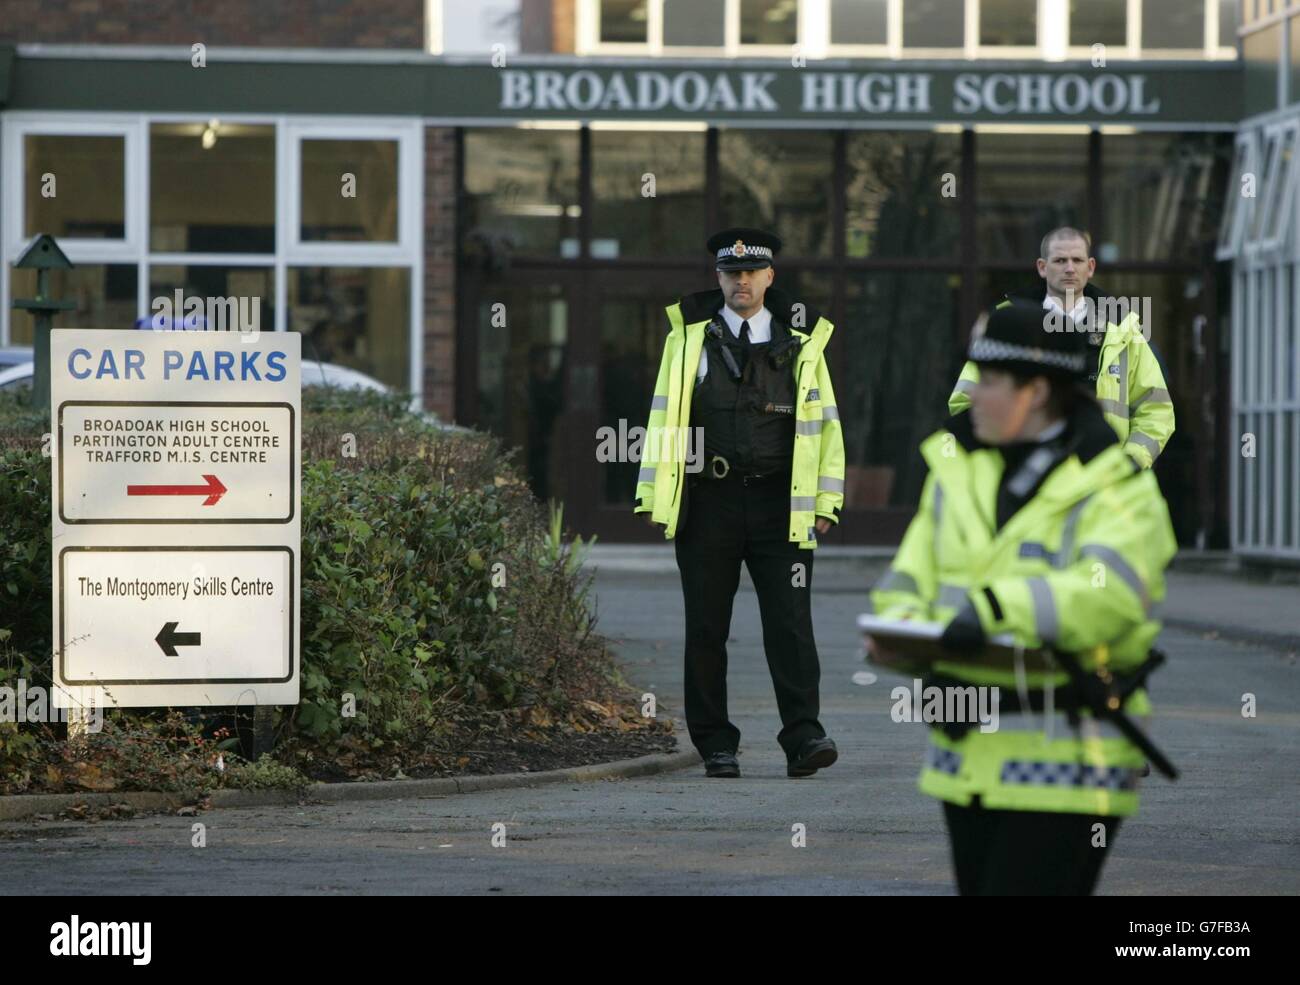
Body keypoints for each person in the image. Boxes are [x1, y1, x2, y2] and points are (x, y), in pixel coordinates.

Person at [870, 299, 1178, 895]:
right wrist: (901, 634)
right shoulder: (958, 473)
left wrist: (992, 611)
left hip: (1066, 765)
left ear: (1035, 392)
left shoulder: (1112, 484)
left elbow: (1113, 595)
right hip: (966, 764)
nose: (971, 394)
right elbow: (908, 580)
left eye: (989, 381)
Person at [635, 227, 845, 779]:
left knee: (791, 625)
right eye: (732, 272)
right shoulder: (688, 340)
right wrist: (657, 494)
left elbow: (824, 426)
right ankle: (716, 745)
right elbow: (665, 417)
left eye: (752, 272)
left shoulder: (803, 339)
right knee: (706, 627)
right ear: (719, 278)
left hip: (784, 505)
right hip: (710, 504)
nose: (742, 281)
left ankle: (805, 738)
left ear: (770, 277)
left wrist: (826, 500)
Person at [948, 227, 1175, 470]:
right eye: (1059, 260)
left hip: (1098, 474)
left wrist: (1129, 463)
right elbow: (965, 401)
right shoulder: (1006, 325)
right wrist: (998, 464)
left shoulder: (1122, 329)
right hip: (1021, 471)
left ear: (1090, 267)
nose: (1069, 268)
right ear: (1042, 267)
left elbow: (1156, 411)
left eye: (1077, 260)